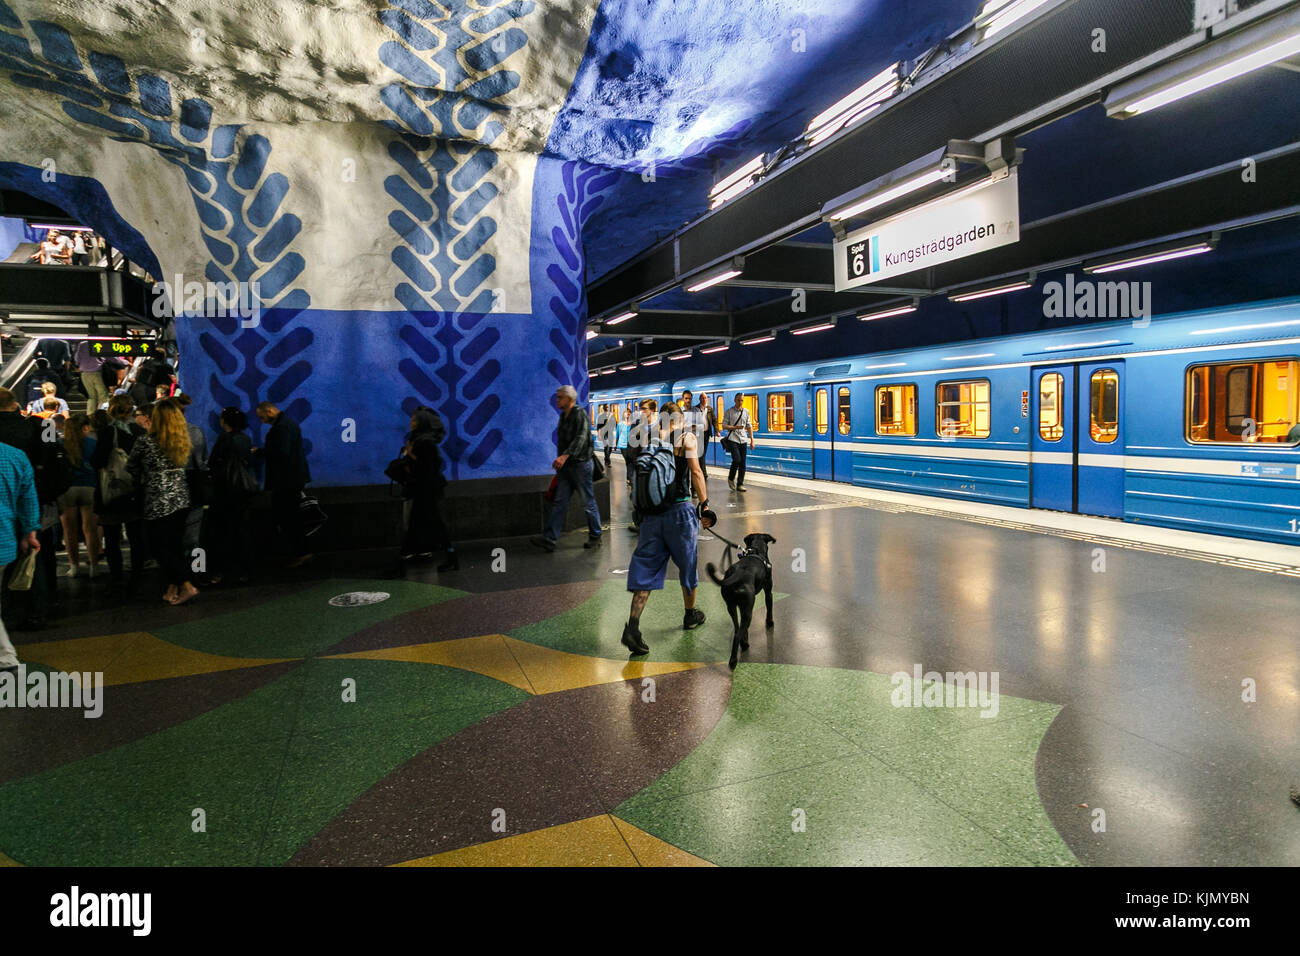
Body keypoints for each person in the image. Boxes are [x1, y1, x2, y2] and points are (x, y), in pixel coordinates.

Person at [620, 402, 711, 656]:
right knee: (688, 564)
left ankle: (633, 627)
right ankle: (690, 615)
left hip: (651, 518)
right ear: (679, 418)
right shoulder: (685, 438)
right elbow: (696, 473)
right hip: (680, 514)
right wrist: (704, 506)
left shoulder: (647, 438)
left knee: (646, 568)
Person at [0, 388, 62, 630]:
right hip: (37, 500)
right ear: (16, 405)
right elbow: (57, 454)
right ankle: (38, 608)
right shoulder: (40, 425)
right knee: (37, 557)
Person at [126, 398, 197, 605]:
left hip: (157, 499)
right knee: (174, 545)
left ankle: (186, 585)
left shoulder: (146, 441)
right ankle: (172, 587)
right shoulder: (183, 439)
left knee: (158, 547)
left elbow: (131, 466)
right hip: (182, 497)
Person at [531, 384, 601, 551]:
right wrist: (560, 461)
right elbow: (563, 442)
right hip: (567, 467)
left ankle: (595, 535)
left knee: (587, 502)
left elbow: (581, 438)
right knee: (560, 502)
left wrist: (564, 456)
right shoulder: (563, 416)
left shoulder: (579, 414)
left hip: (581, 465)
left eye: (560, 397)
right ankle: (550, 539)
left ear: (569, 399)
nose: (557, 400)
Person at [92, 395, 147, 596]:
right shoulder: (139, 432)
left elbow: (97, 461)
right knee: (135, 537)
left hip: (112, 491)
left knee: (112, 537)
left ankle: (116, 577)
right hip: (135, 490)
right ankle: (137, 575)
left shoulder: (107, 432)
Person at [254, 401, 312, 567]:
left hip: (286, 481)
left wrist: (259, 452)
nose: (262, 420)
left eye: (262, 416)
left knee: (288, 518)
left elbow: (280, 452)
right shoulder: (288, 424)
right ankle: (301, 552)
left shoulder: (282, 428)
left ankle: (301, 553)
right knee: (291, 517)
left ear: (270, 410)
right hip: (292, 479)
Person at [0, 440, 41, 674]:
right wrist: (30, 532)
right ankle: (5, 658)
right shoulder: (15, 456)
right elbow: (28, 499)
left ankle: (6, 657)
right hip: (4, 540)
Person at [399, 407, 457, 570]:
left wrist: (410, 456)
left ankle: (400, 564)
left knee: (431, 524)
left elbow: (429, 468)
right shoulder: (419, 440)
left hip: (426, 490)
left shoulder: (425, 442)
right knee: (427, 524)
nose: (411, 423)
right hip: (424, 489)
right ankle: (450, 557)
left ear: (422, 423)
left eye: (414, 420)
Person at [205, 407, 255, 586]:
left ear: (224, 422)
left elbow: (213, 463)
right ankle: (245, 570)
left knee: (222, 532)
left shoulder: (224, 439)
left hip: (226, 491)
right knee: (243, 531)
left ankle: (220, 571)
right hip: (244, 491)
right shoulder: (245, 438)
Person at [57, 412, 101, 578]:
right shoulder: (92, 443)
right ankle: (94, 566)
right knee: (90, 530)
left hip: (68, 489)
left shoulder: (61, 444)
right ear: (85, 428)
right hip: (89, 487)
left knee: (69, 531)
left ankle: (73, 566)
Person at [721, 393, 754, 492]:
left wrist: (752, 439)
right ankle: (731, 478)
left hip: (743, 439)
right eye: (738, 400)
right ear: (735, 400)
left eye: (742, 400)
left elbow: (749, 426)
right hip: (733, 439)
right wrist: (735, 427)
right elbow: (724, 426)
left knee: (743, 463)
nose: (740, 402)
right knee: (737, 459)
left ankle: (740, 484)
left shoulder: (746, 412)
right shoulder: (729, 412)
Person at [73, 339, 109, 411]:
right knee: (103, 396)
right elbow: (110, 357)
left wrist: (79, 364)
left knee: (92, 397)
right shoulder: (101, 342)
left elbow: (77, 358)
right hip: (97, 372)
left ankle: (90, 415)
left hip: (85, 373)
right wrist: (125, 363)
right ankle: (103, 414)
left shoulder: (82, 344)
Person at [696, 392, 718, 481]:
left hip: (706, 434)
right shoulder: (696, 409)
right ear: (699, 399)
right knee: (701, 454)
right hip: (698, 434)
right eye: (702, 398)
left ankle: (702, 472)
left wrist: (717, 430)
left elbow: (714, 420)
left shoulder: (709, 409)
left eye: (705, 398)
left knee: (702, 454)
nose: (704, 400)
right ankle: (704, 474)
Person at [596, 403, 618, 471]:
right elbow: (598, 426)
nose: (607, 408)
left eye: (608, 407)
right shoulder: (601, 416)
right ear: (604, 408)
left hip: (610, 433)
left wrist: (617, 431)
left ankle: (606, 459)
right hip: (604, 433)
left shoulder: (612, 415)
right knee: (607, 447)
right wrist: (599, 434)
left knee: (610, 447)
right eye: (606, 407)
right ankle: (608, 462)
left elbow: (615, 424)